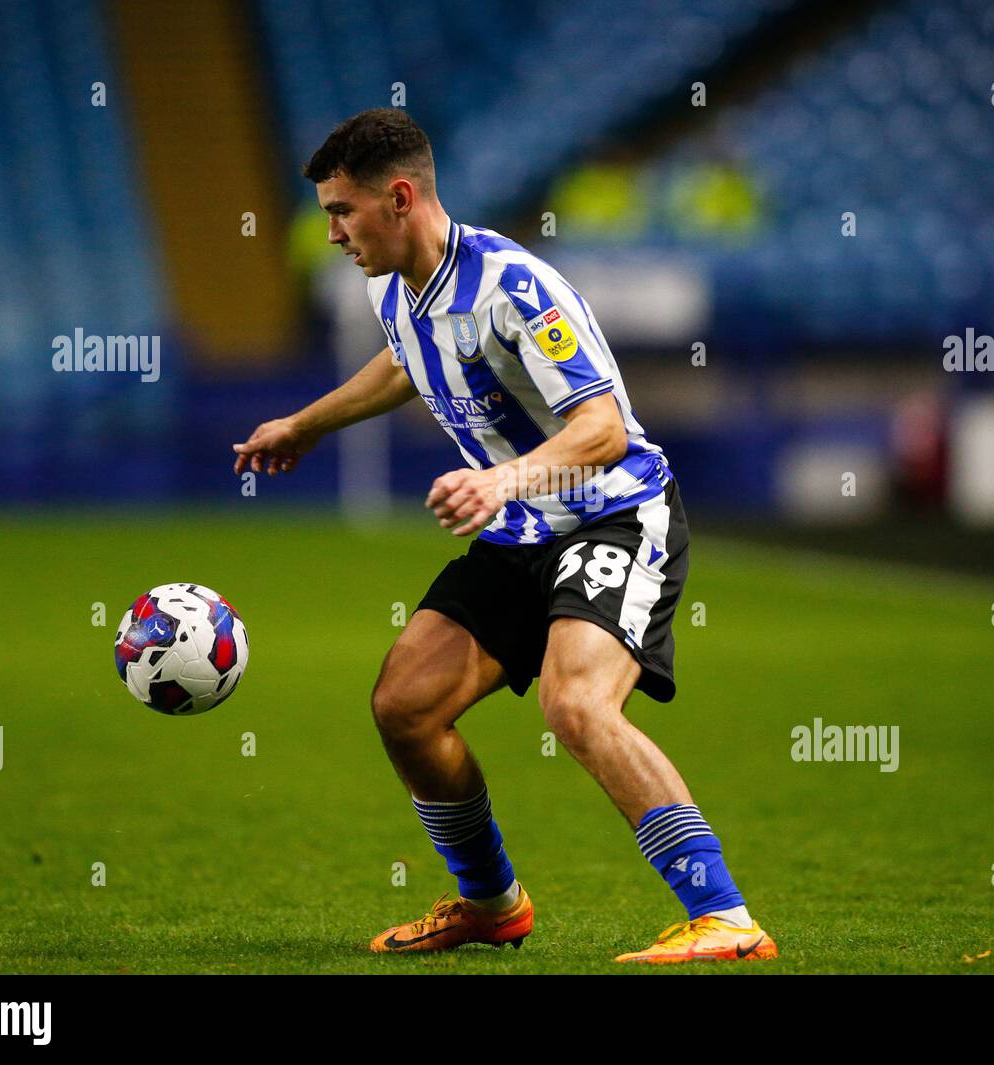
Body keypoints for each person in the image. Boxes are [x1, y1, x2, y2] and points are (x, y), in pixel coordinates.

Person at [232, 108, 776, 964]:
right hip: (522, 530)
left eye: (342, 210)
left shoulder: (515, 288)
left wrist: (502, 478)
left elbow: (602, 428)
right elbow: (406, 360)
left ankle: (726, 918)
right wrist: (307, 423)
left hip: (615, 513)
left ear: (400, 197)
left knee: (576, 702)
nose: (330, 231)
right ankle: (492, 904)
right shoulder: (393, 286)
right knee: (405, 707)